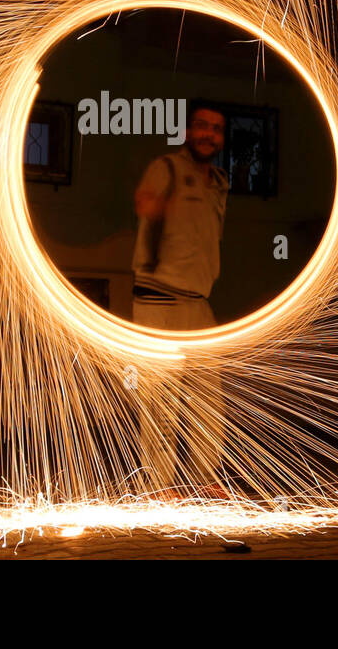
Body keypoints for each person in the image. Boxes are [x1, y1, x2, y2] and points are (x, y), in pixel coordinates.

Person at [129, 100, 230, 499]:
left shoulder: (219, 182)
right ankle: (156, 487)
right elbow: (145, 204)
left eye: (217, 129)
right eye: (202, 126)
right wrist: (152, 207)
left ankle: (204, 480)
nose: (209, 134)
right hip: (158, 304)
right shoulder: (167, 168)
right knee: (161, 402)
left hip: (199, 303)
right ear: (188, 131)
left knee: (208, 399)